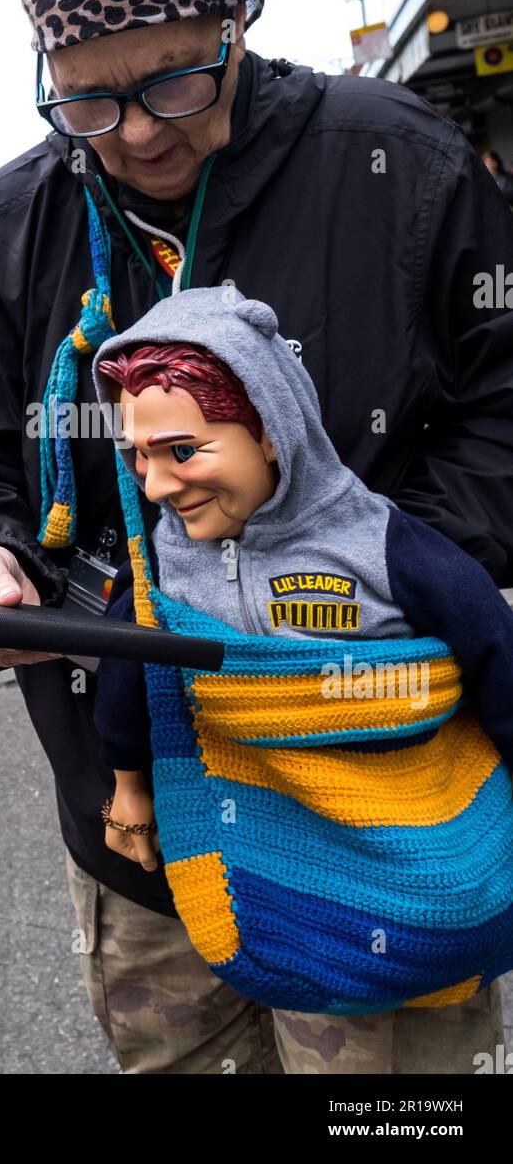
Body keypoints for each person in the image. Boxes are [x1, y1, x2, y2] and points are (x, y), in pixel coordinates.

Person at [0, 0, 513, 1074]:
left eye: (174, 81)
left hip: (380, 801)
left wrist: (375, 565)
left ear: (239, 12)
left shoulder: (403, 164)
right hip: (135, 826)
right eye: (86, 98)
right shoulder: (6, 223)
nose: (135, 134)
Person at [88, 287, 513, 1058]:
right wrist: (128, 789)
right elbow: (132, 674)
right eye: (139, 457)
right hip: (252, 842)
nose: (156, 485)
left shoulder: (379, 546)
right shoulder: (165, 567)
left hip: (408, 824)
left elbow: (490, 645)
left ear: (273, 432)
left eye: (183, 451)